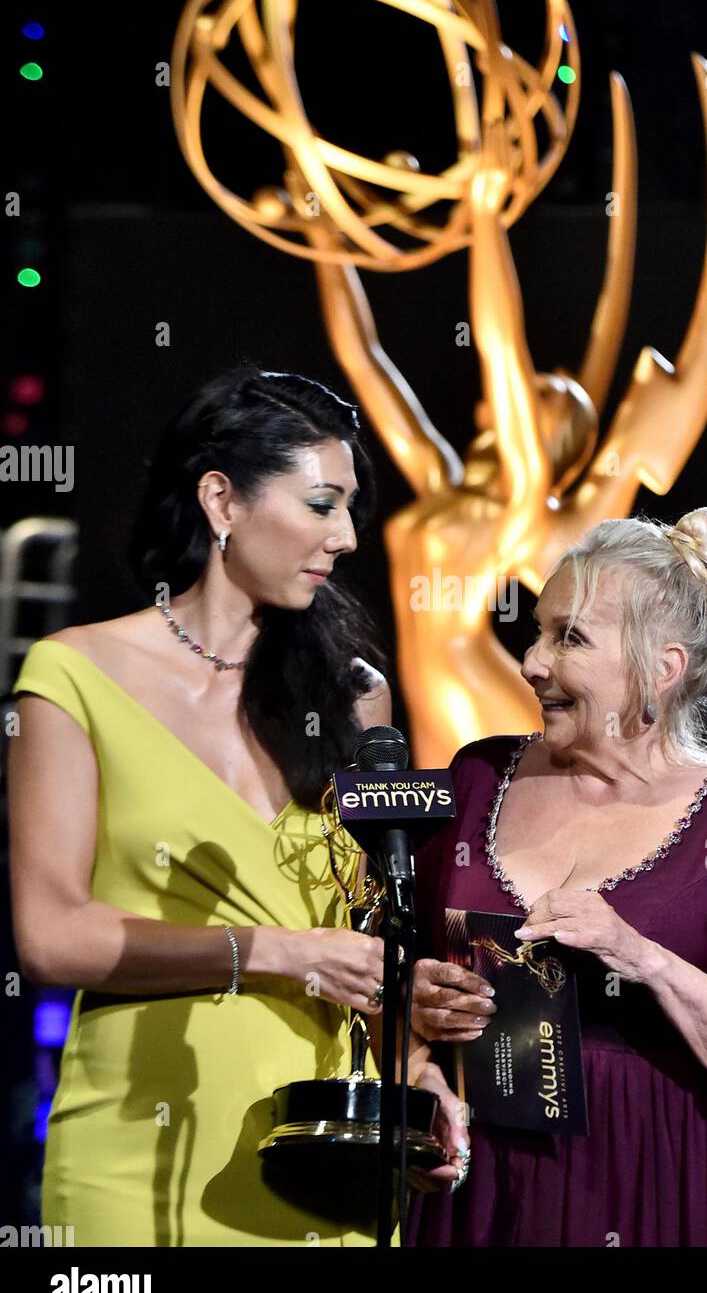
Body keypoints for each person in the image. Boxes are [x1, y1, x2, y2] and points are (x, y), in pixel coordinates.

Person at [6, 362, 463, 1246]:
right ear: (222, 500)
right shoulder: (72, 675)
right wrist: (276, 952)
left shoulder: (354, 693)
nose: (347, 538)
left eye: (350, 510)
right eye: (321, 505)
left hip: (324, 1144)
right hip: (138, 1150)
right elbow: (53, 935)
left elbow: (366, 934)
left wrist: (418, 1066)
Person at [407, 507, 707, 1247]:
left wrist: (638, 956)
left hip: (660, 1184)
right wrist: (418, 1034)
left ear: (659, 669)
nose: (532, 661)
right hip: (485, 1190)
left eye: (569, 638)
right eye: (538, 631)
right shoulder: (475, 776)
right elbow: (396, 959)